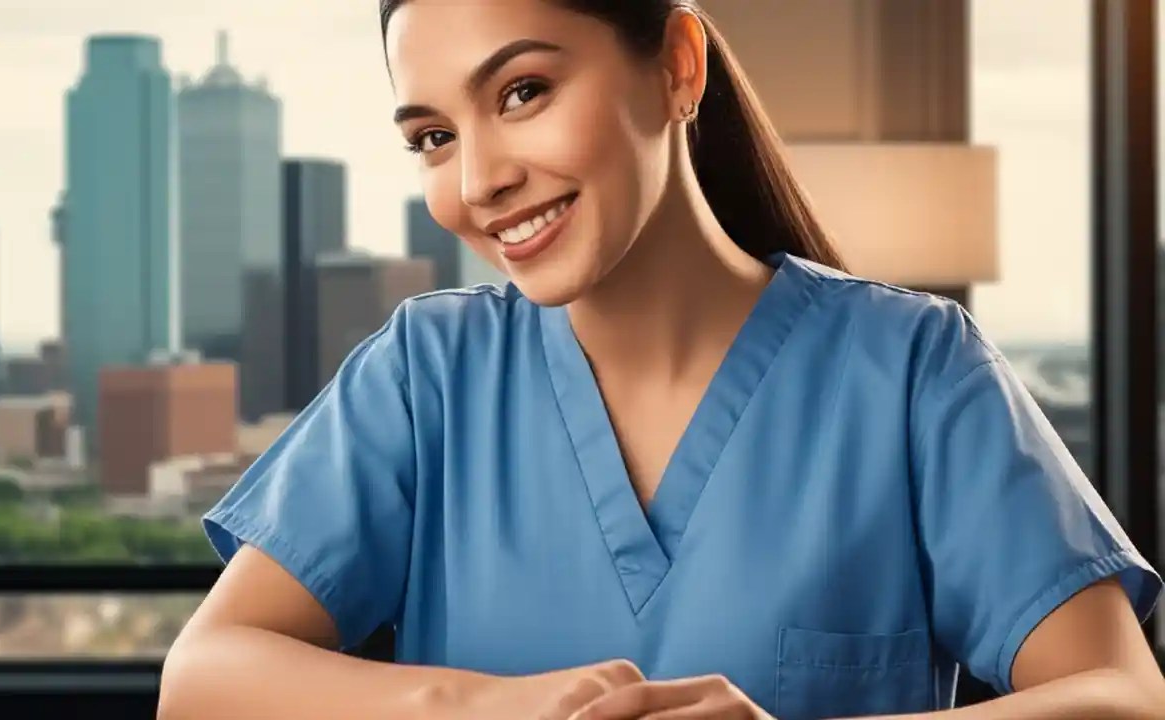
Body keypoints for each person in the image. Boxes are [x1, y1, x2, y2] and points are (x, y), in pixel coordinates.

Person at [157, 1, 1165, 718]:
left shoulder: (911, 370)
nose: (477, 181)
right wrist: (491, 707)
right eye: (432, 137)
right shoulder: (426, 374)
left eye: (523, 91)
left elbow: (1121, 694)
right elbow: (203, 677)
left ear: (678, 66)